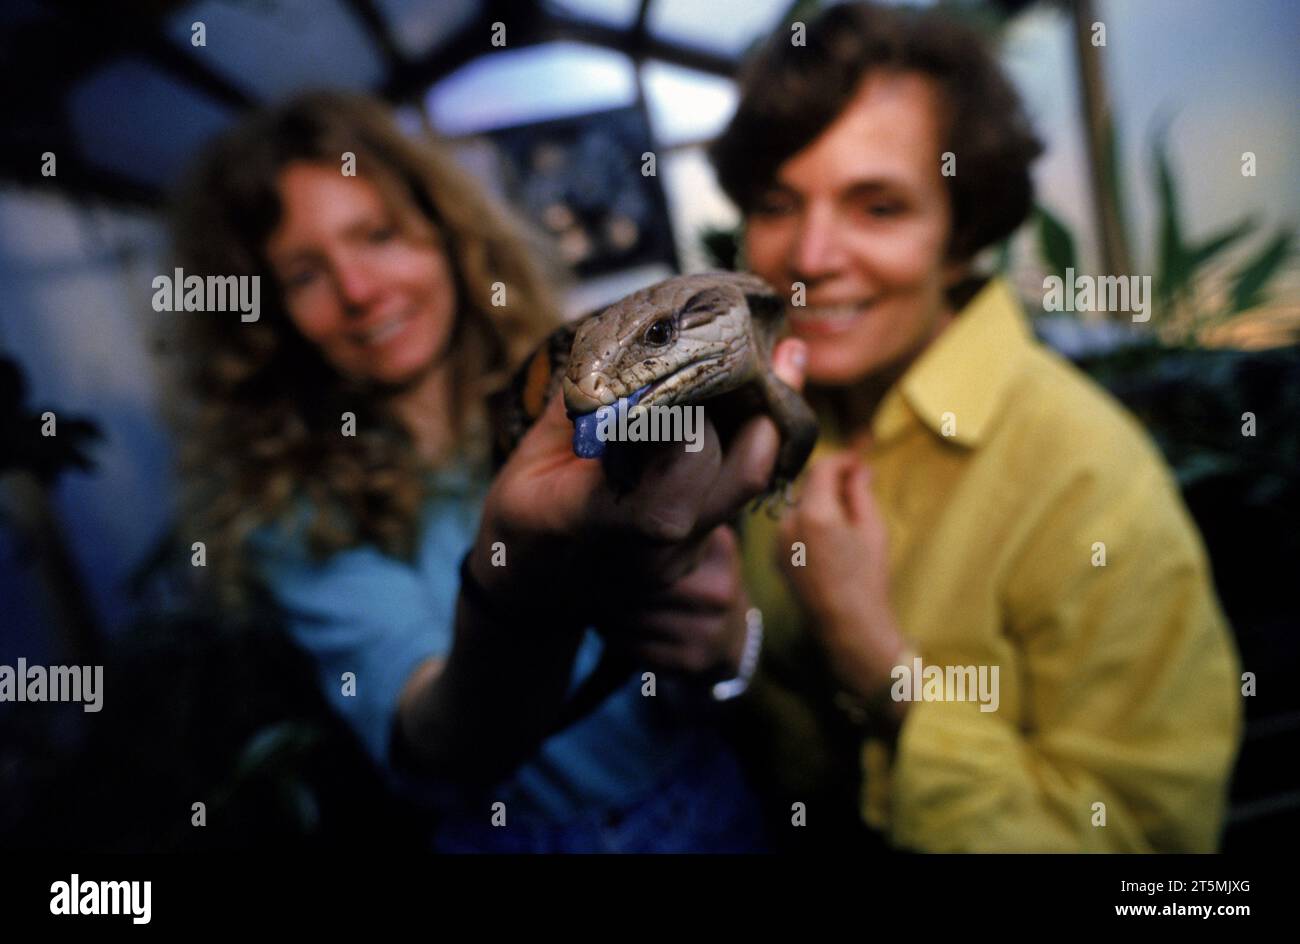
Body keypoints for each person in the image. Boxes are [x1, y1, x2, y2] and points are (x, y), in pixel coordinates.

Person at [169, 90, 803, 852]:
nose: (360, 292)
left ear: (447, 234)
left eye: (378, 234)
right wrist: (521, 588)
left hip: (708, 807)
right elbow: (433, 747)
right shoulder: (294, 512)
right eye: (304, 274)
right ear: (264, 315)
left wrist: (732, 647)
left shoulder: (581, 371)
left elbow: (709, 670)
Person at [710, 2, 1242, 851]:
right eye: (778, 203)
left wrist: (882, 669)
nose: (810, 256)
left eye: (877, 207)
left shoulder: (1085, 473)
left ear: (961, 235)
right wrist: (726, 644)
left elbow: (1153, 864)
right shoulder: (768, 420)